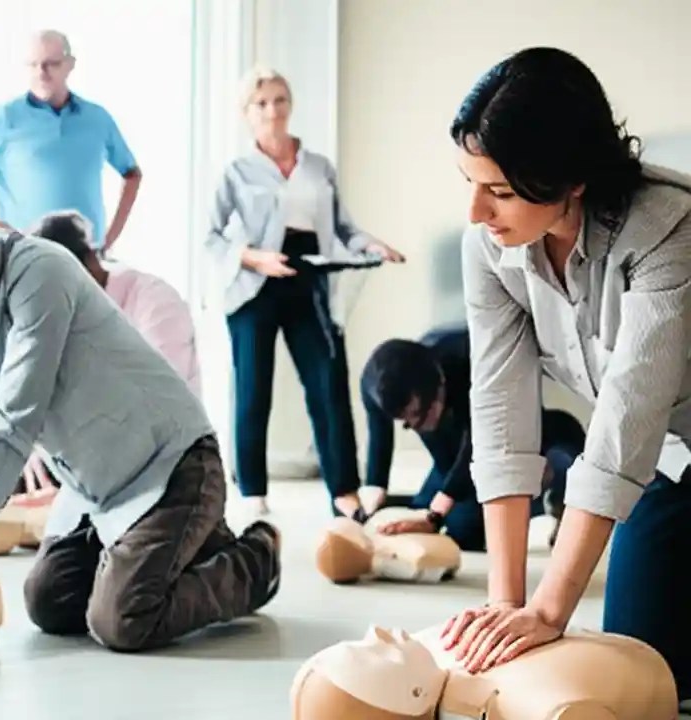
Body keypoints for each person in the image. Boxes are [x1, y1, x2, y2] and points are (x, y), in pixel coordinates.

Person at [0, 181, 281, 653]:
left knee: (122, 621)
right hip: (93, 489)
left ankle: (256, 559)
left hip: (174, 465)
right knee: (50, 604)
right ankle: (197, 543)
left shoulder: (40, 271)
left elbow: (14, 415)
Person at [437, 47, 691, 708]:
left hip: (643, 440)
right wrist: (506, 604)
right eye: (470, 181)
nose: (475, 211)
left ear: (571, 179)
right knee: (646, 670)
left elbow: (625, 420)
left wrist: (550, 611)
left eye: (498, 190)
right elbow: (500, 411)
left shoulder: (669, 228)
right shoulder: (489, 248)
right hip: (669, 464)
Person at [205, 67, 404, 519]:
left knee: (328, 383)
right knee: (253, 390)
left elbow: (343, 228)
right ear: (246, 113)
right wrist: (255, 258)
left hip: (308, 275)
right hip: (254, 286)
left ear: (290, 105)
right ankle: (252, 492)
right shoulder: (237, 173)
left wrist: (372, 245)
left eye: (279, 100)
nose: (271, 110)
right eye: (261, 103)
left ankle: (344, 490)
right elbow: (212, 236)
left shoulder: (317, 167)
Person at [17, 209, 203, 499]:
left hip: (161, 454)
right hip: (90, 455)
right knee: (9, 476)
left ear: (90, 260)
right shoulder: (52, 312)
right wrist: (36, 450)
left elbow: (161, 400)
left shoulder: (153, 298)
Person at [360, 325, 584, 551]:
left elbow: (478, 443)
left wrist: (437, 512)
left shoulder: (473, 358)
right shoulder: (376, 389)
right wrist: (371, 498)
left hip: (511, 435)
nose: (420, 426)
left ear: (439, 383)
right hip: (457, 453)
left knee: (463, 526)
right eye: (408, 422)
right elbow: (380, 444)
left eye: (421, 414)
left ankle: (552, 493)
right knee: (446, 525)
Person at [0, 30, 141, 255]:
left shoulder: (97, 118)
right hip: (25, 254)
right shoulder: (5, 117)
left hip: (87, 256)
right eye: (33, 65)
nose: (41, 73)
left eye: (51, 64)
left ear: (70, 64)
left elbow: (132, 173)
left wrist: (110, 237)